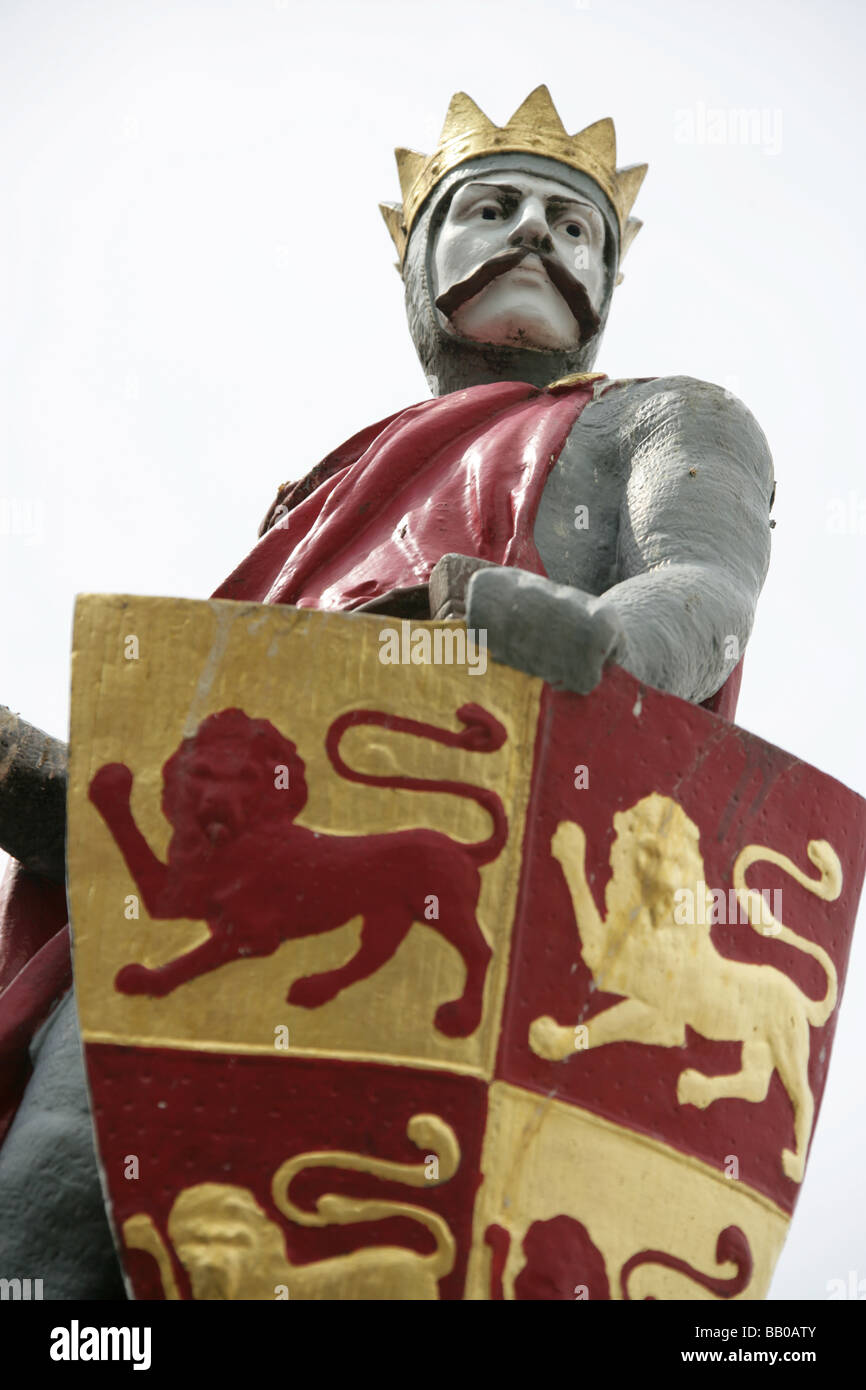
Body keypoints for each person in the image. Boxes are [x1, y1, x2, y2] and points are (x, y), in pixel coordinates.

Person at [0, 85, 775, 1299]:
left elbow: (699, 594)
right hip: (191, 927)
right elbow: (177, 778)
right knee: (46, 1234)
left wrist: (541, 624)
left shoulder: (663, 418)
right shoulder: (313, 498)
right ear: (419, 263)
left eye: (574, 228)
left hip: (487, 885)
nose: (534, 236)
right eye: (492, 207)